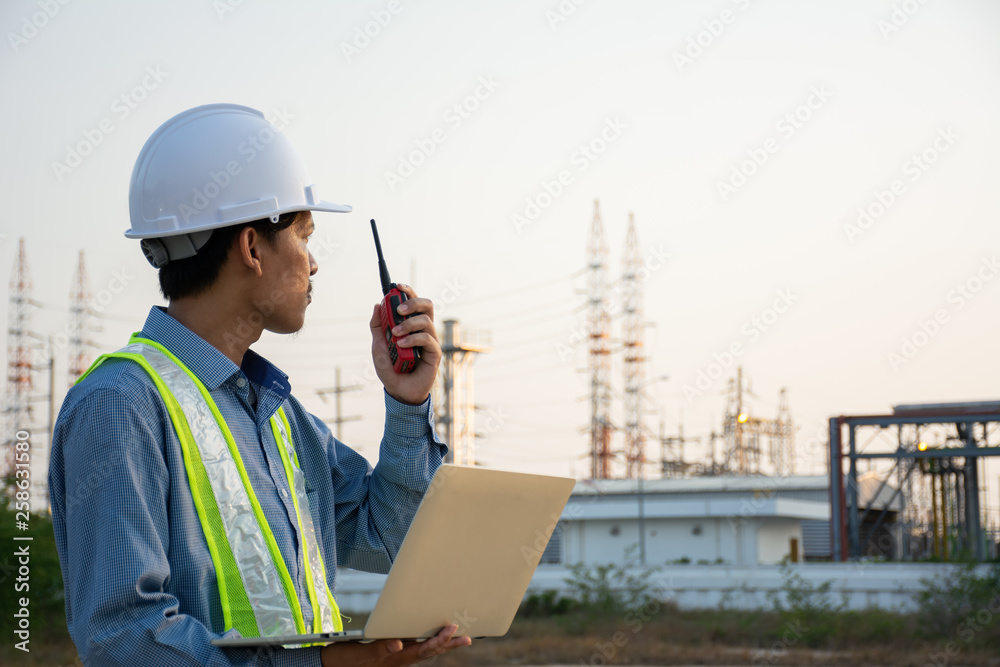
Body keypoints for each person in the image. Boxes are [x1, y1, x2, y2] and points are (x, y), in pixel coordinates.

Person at [48, 104, 471, 666]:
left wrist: (407, 403)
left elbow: (384, 538)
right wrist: (318, 664)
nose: (313, 264)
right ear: (252, 247)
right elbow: (125, 640)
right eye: (304, 236)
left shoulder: (278, 415)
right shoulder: (119, 405)